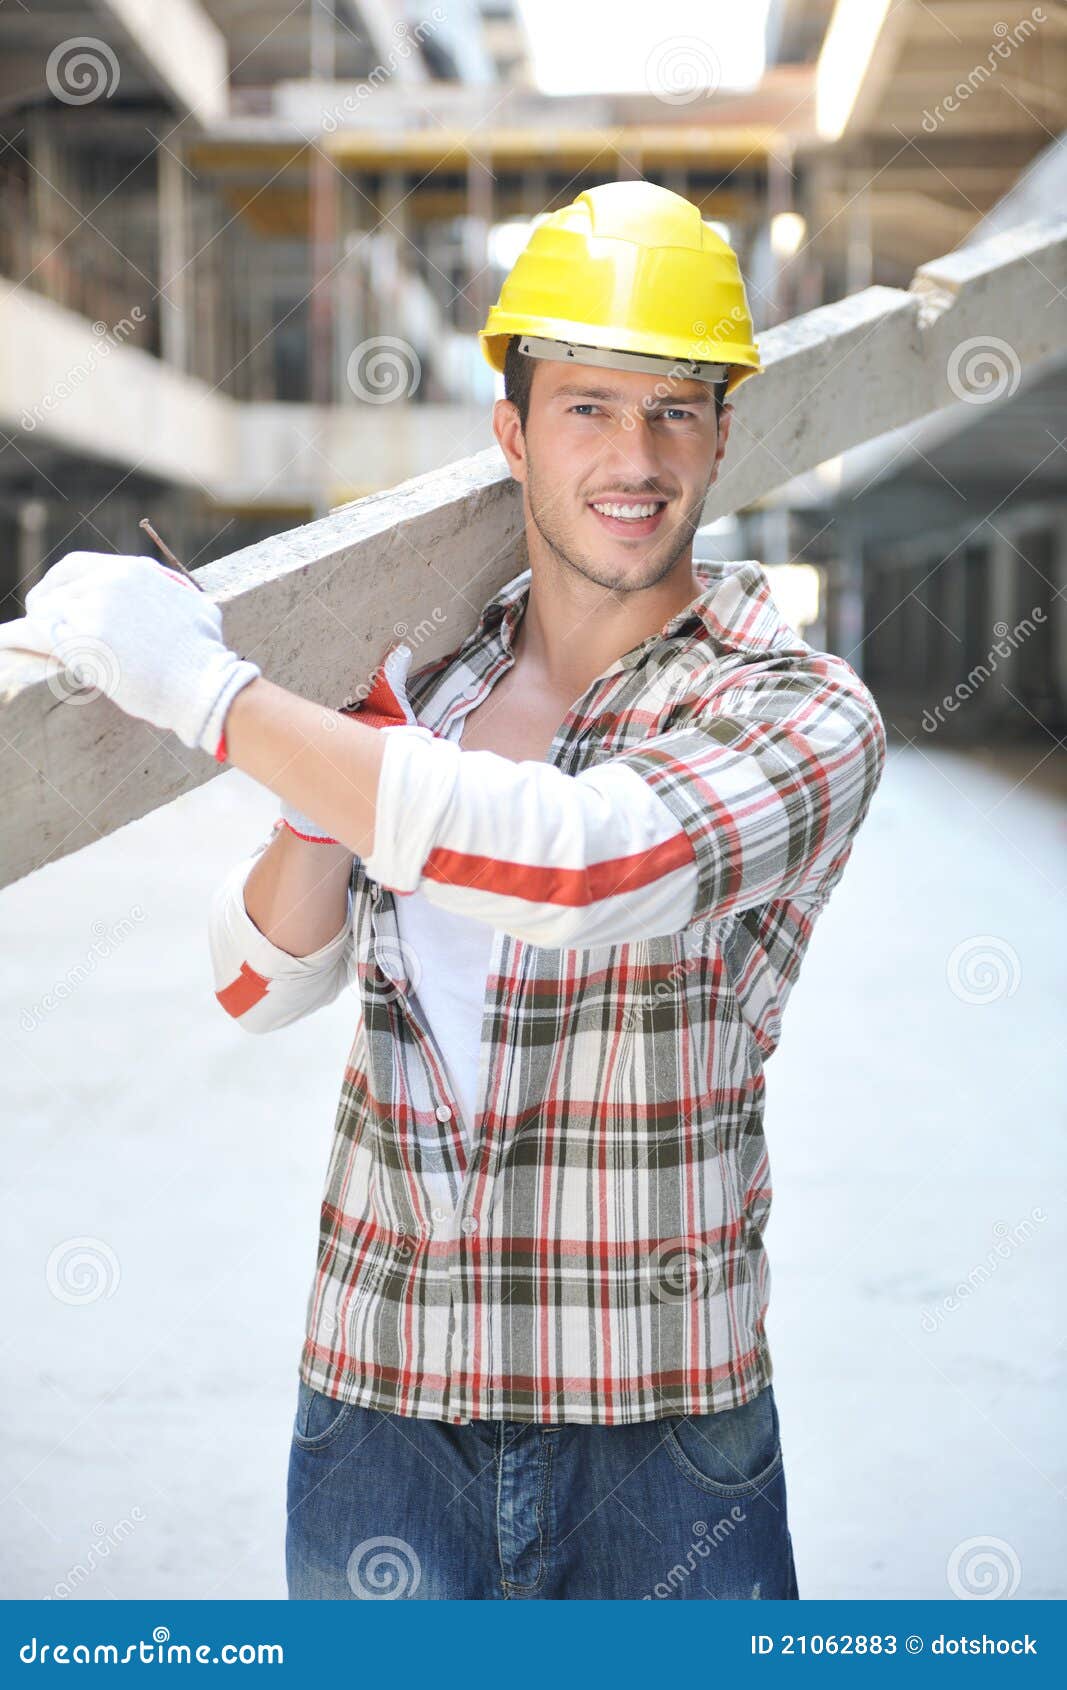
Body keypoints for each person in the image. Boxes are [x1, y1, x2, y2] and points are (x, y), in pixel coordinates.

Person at [0, 181, 886, 1601]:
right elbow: (252, 982)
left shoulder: (794, 708)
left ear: (725, 433)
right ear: (513, 429)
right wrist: (317, 797)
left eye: (674, 409)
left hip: (658, 1430)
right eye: (589, 406)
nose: (634, 455)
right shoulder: (441, 693)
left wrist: (213, 695)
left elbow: (582, 862)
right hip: (380, 1404)